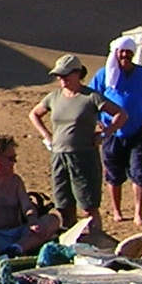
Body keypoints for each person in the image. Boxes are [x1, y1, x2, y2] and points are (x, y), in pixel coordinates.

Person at [28, 54, 120, 234]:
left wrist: (105, 133)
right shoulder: (53, 97)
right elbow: (34, 114)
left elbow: (120, 114)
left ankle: (95, 239)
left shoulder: (90, 96)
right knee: (63, 204)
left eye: (65, 75)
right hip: (59, 156)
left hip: (84, 156)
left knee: (88, 205)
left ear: (77, 73)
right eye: (59, 76)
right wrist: (47, 136)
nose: (61, 80)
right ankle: (70, 238)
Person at [89, 36, 142, 228]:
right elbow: (90, 99)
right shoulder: (104, 74)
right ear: (115, 53)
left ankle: (138, 212)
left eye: (128, 52)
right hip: (112, 133)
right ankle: (117, 211)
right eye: (121, 52)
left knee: (139, 172)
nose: (125, 56)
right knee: (113, 173)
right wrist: (98, 120)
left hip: (137, 131)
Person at [0, 135, 62, 258]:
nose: (14, 162)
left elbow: (27, 206)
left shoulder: (15, 180)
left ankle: (15, 250)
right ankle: (22, 248)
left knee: (52, 220)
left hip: (19, 232)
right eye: (11, 158)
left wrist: (33, 221)